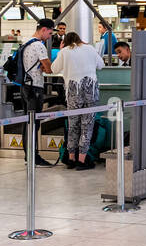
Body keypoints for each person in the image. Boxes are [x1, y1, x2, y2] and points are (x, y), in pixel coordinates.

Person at [51, 31, 106, 168]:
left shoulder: (64, 51)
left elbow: (54, 69)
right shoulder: (90, 49)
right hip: (90, 90)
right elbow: (101, 65)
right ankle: (82, 159)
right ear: (80, 39)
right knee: (87, 125)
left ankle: (71, 158)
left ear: (66, 42)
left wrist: (61, 49)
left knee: (73, 125)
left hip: (73, 90)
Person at [16, 20, 55, 167]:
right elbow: (49, 68)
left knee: (28, 122)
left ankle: (29, 155)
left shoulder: (26, 42)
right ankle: (33, 156)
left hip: (24, 86)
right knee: (34, 123)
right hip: (35, 88)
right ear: (44, 29)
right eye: (50, 33)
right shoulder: (39, 45)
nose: (49, 36)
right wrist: (47, 67)